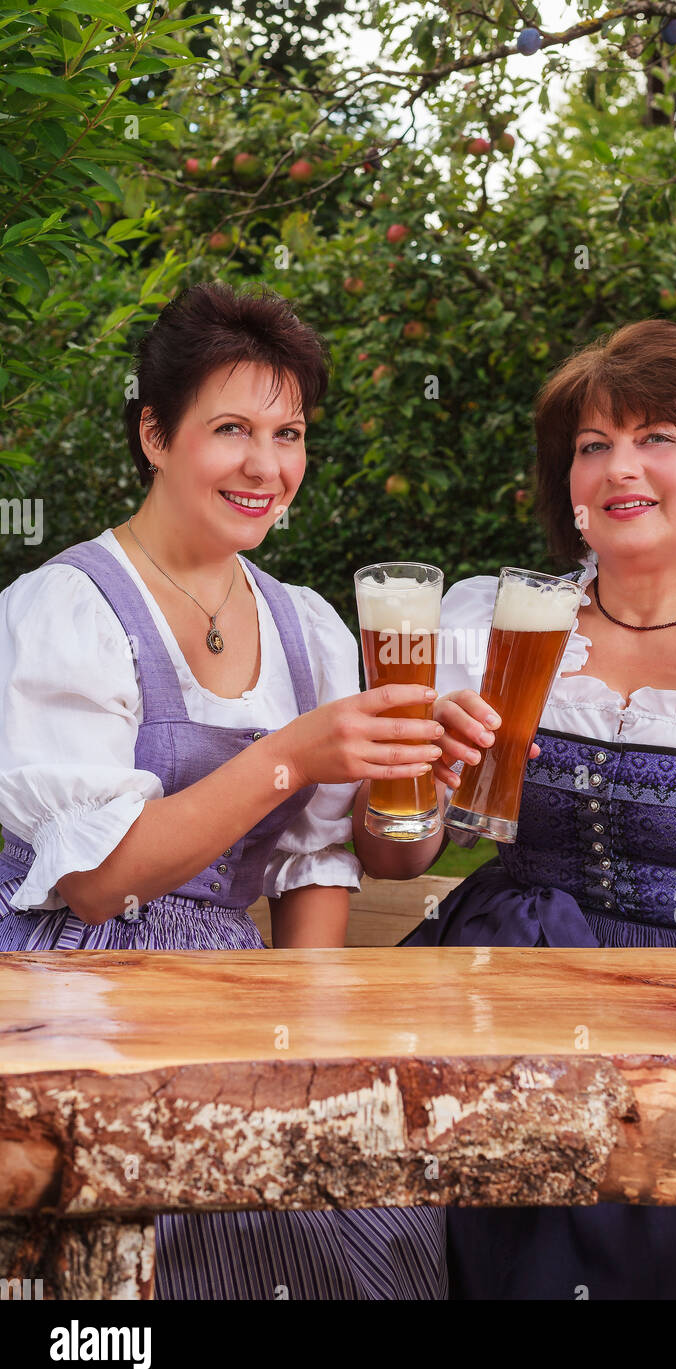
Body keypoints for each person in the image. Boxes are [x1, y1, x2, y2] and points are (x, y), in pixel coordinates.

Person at [352, 318, 676, 1300]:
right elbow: (393, 859)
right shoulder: (487, 623)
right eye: (592, 446)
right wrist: (422, 777)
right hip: (491, 1007)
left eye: (655, 437)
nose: (617, 468)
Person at [0, 281, 447, 1300]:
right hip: (65, 988)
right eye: (231, 428)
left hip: (240, 997)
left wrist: (416, 791)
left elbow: (345, 860)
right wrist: (293, 752)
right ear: (154, 434)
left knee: (370, 1222)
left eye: (287, 433)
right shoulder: (67, 608)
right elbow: (100, 881)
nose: (266, 465)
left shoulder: (309, 627)